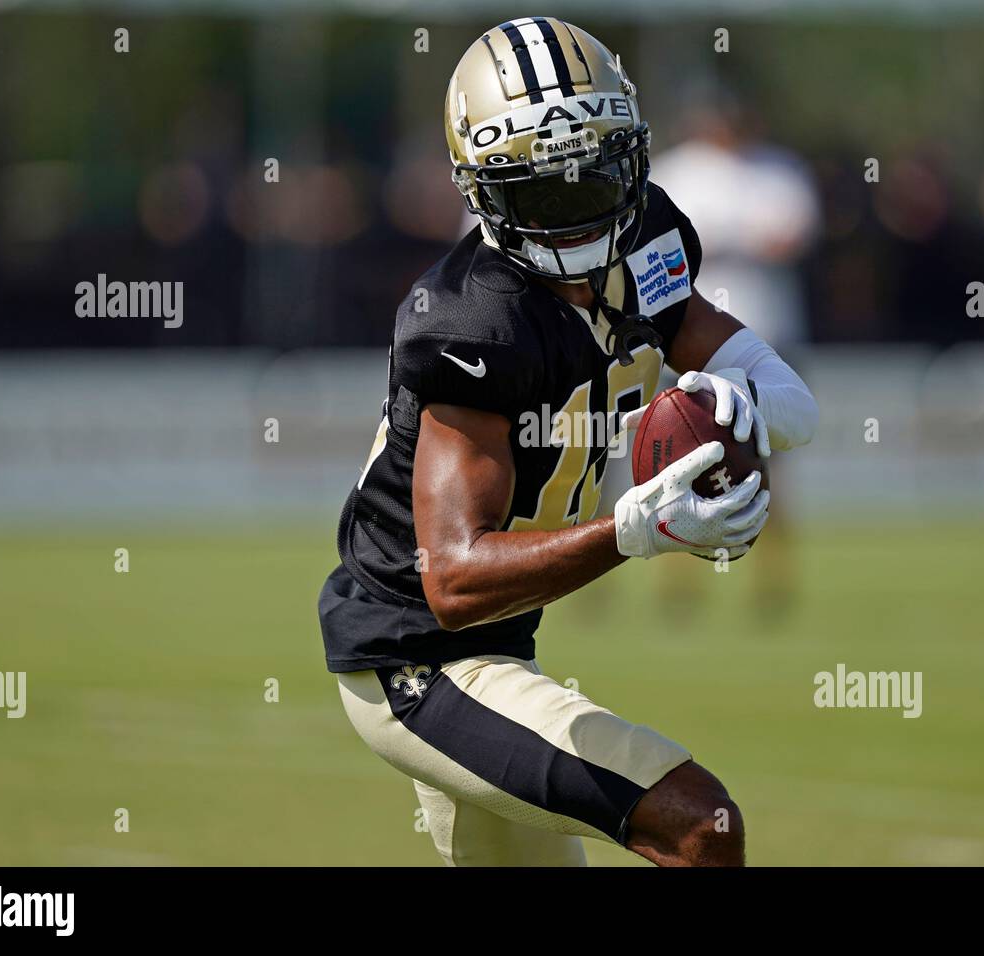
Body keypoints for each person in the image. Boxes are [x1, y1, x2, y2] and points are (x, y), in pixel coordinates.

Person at [318, 17, 818, 866]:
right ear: (482, 192)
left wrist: (735, 398)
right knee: (702, 825)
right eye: (542, 190)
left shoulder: (649, 239)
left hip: (503, 645)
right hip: (418, 665)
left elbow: (782, 394)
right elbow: (451, 581)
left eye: (594, 174)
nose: (576, 208)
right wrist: (635, 530)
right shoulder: (478, 320)